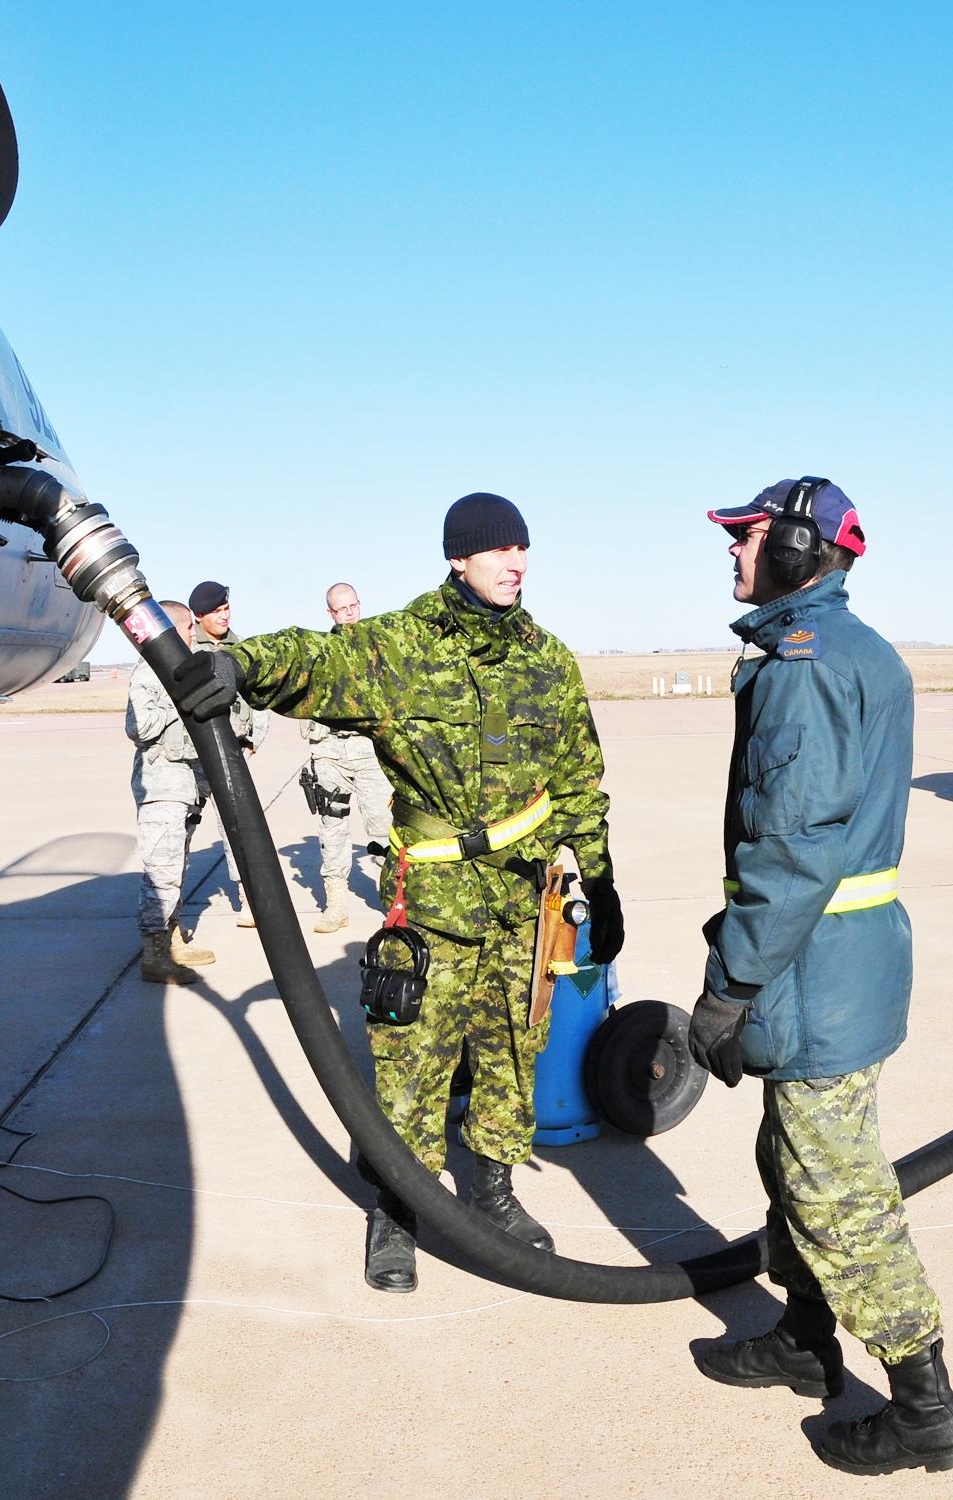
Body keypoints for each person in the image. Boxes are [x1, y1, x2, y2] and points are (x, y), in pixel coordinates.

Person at [171, 493, 626, 1294]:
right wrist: (237, 664)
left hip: (524, 903)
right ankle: (398, 1210)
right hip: (438, 906)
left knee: (512, 1057)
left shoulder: (546, 658)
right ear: (458, 558)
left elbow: (580, 780)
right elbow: (313, 659)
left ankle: (492, 1190)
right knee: (413, 1063)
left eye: (523, 548)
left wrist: (602, 877)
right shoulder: (401, 648)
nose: (515, 562)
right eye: (498, 550)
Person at [686, 478, 953, 1476]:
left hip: (809, 972)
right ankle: (807, 1341)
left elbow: (794, 846)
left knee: (838, 1192)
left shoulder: (800, 667)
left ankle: (925, 1406)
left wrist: (729, 986)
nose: (733, 554)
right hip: (850, 965)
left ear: (800, 550)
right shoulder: (859, 649)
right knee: (791, 1162)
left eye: (747, 537)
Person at [126, 601, 262, 984]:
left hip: (185, 784)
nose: (192, 635)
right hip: (161, 784)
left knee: (177, 865)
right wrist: (177, 697)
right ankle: (155, 954)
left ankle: (172, 939)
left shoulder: (178, 669)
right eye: (188, 629)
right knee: (162, 870)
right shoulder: (150, 674)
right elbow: (140, 728)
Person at [302, 583, 396, 934]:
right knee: (332, 828)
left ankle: (393, 901)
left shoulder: (377, 649)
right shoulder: (321, 652)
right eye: (342, 610)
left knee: (383, 830)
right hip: (329, 751)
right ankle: (336, 905)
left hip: (368, 750)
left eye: (354, 606)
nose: (350, 613)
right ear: (331, 614)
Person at [187, 580, 269, 925]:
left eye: (226, 609)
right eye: (217, 611)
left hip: (231, 752)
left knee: (240, 830)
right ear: (198, 617)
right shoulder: (187, 649)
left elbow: (260, 699)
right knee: (181, 832)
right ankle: (169, 913)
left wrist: (252, 741)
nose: (224, 616)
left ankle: (250, 902)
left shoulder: (241, 648)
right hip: (192, 758)